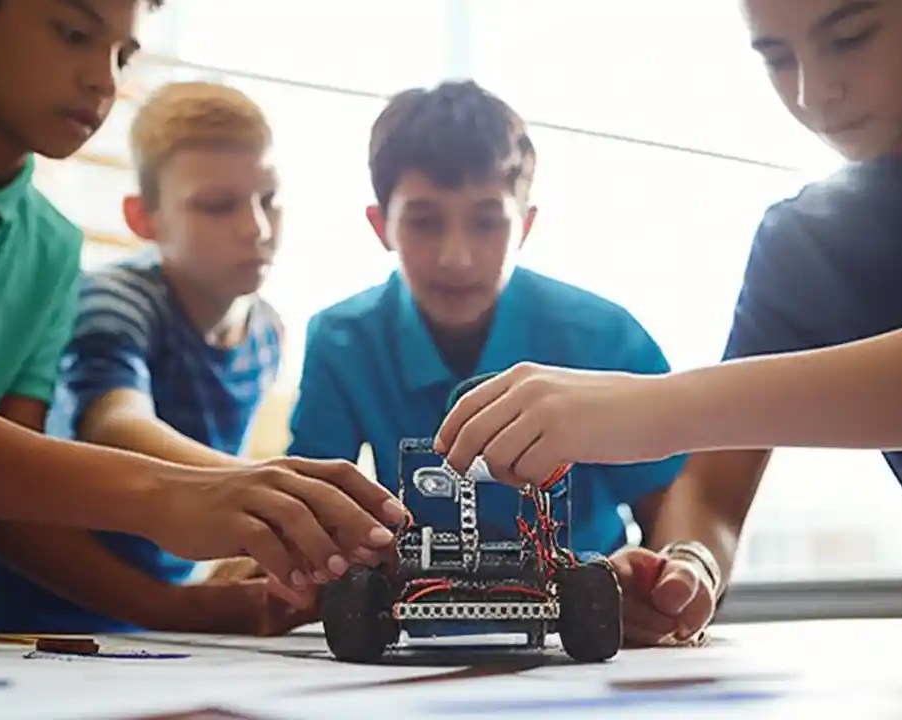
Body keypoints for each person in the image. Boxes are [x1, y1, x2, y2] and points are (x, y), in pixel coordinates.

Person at [435, 0, 902, 643]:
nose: (813, 92)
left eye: (850, 38)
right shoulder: (805, 243)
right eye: (775, 57)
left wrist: (650, 407)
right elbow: (713, 490)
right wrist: (686, 564)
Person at [0, 0, 400, 639]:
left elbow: (0, 509)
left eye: (122, 56)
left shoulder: (52, 248)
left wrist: (179, 607)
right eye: (75, 34)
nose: (105, 82)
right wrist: (182, 493)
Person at [0, 81, 322, 636]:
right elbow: (114, 421)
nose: (257, 227)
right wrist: (268, 485)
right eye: (217, 205)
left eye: (268, 198)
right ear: (142, 219)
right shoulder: (115, 299)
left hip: (137, 629)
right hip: (7, 623)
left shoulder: (267, 331)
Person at [287, 80, 685, 570]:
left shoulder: (607, 337)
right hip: (416, 609)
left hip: (585, 615)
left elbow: (675, 504)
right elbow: (313, 505)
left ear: (527, 225)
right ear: (380, 226)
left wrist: (664, 581)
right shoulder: (340, 341)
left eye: (486, 221)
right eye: (425, 222)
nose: (457, 258)